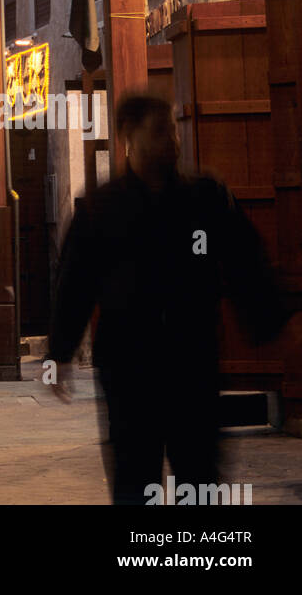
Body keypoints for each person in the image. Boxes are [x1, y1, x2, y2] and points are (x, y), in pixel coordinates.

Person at [47, 91, 289, 505]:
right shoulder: (101, 209)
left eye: (173, 130)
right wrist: (60, 353)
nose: (173, 141)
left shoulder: (205, 198)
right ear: (128, 136)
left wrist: (275, 321)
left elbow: (247, 263)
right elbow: (75, 285)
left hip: (192, 361)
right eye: (160, 132)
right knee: (135, 477)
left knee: (199, 477)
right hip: (128, 368)